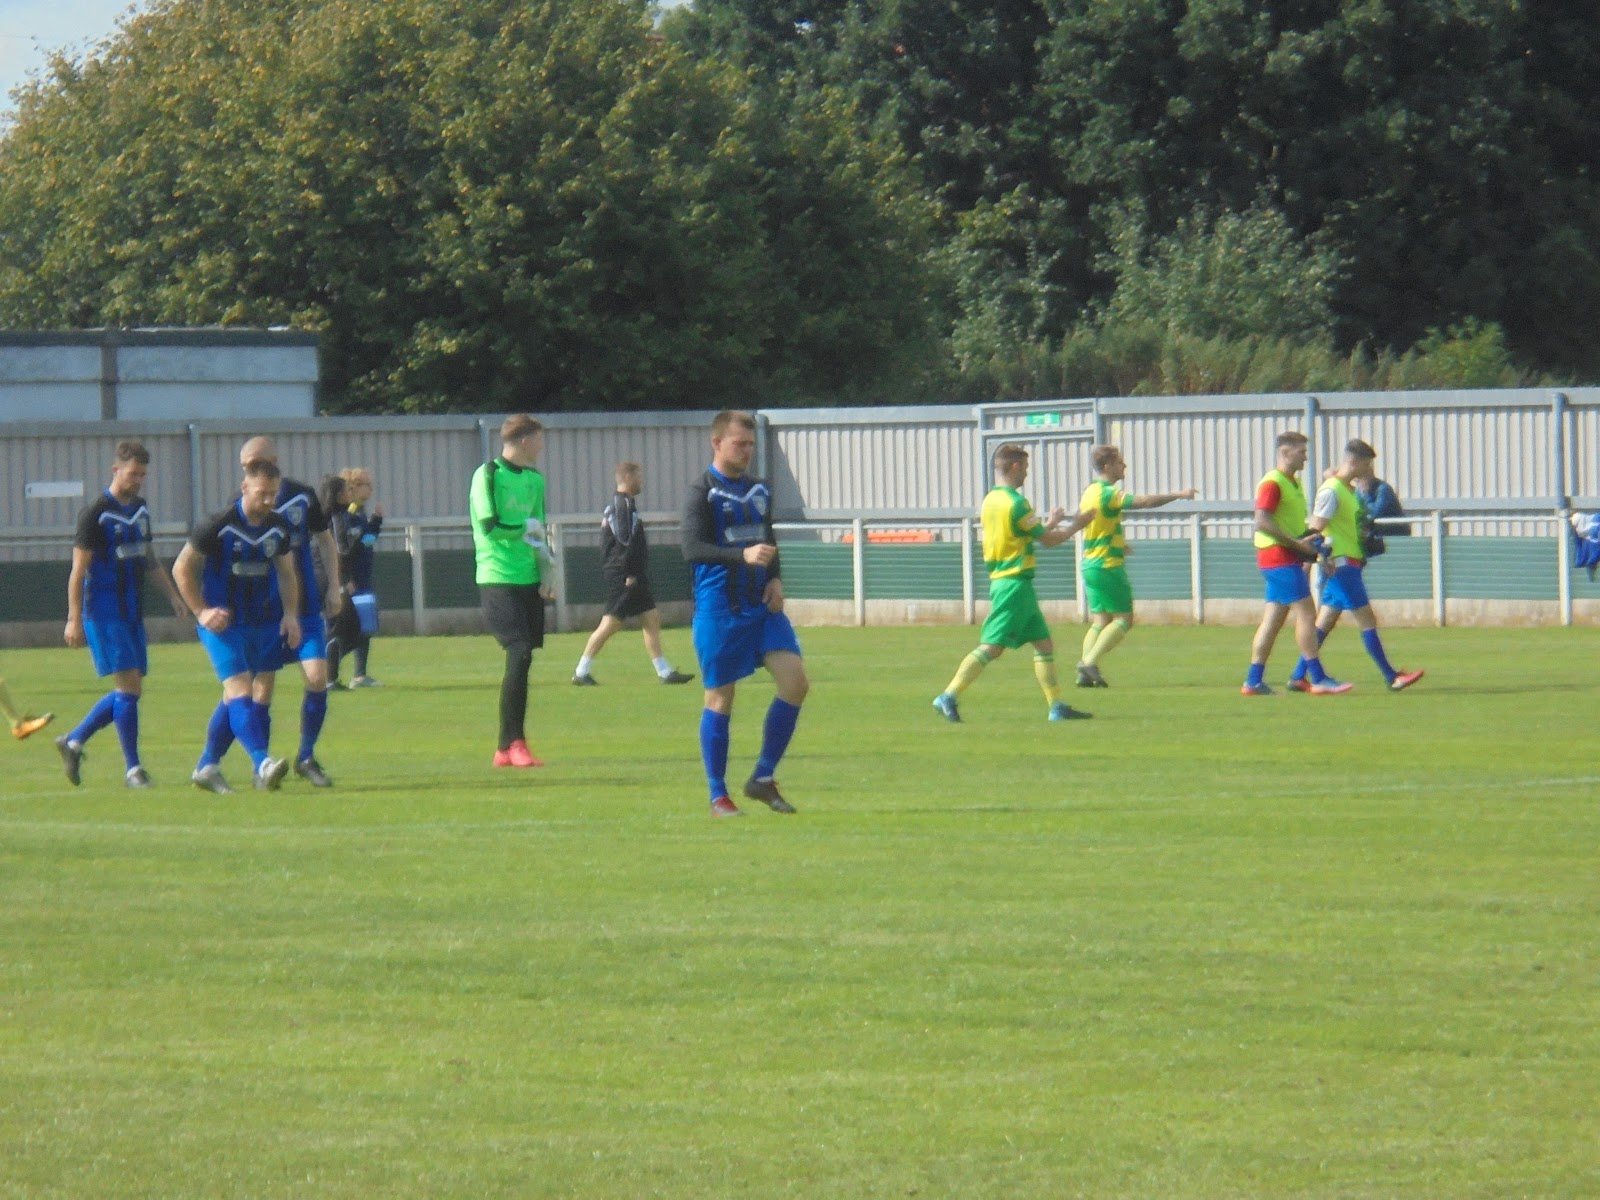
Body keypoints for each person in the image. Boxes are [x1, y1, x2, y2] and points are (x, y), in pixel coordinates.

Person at [682, 410, 806, 817]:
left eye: (751, 444)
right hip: (720, 609)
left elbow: (767, 539)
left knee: (796, 682)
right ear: (717, 443)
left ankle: (762, 776)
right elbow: (693, 549)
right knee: (720, 698)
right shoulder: (700, 492)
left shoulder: (759, 489)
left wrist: (776, 578)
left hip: (762, 608)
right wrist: (741, 556)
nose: (748, 451)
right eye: (740, 443)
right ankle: (718, 795)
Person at [54, 440, 189, 788]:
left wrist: (173, 596)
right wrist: (73, 618)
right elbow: (78, 570)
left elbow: (148, 558)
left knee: (131, 691)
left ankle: (73, 741)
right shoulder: (95, 513)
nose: (138, 480)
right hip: (102, 611)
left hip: (132, 610)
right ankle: (133, 770)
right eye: (132, 473)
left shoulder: (140, 509)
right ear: (116, 470)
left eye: (143, 475)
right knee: (128, 687)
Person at [211, 436, 342, 788]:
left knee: (317, 676)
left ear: (272, 460)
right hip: (264, 611)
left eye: (253, 461)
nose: (248, 469)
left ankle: (306, 756)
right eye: (244, 466)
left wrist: (334, 585)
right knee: (259, 688)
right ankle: (262, 767)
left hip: (306, 606)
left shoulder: (302, 496)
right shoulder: (238, 506)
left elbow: (325, 541)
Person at [932, 443, 1095, 724]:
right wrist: (1077, 525)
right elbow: (1047, 541)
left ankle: (1056, 706)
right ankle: (949, 695)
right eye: (1026, 468)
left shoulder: (991, 500)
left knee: (1044, 645)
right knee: (992, 646)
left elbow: (1027, 532)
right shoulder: (1017, 504)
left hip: (1011, 581)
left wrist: (1052, 521)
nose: (1027, 475)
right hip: (1013, 583)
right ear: (1016, 467)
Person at [173, 458, 301, 792]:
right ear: (245, 487)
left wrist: (290, 615)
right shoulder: (217, 524)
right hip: (221, 625)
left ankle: (207, 766)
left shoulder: (278, 526)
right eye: (262, 493)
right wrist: (201, 612)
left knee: (234, 698)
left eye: (274, 494)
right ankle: (262, 763)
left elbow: (287, 573)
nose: (269, 501)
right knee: (242, 690)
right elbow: (181, 568)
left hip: (260, 622)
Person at [1288, 440, 1424, 693]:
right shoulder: (1331, 491)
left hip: (1349, 562)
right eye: (1366, 463)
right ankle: (1391, 676)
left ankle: (1298, 675)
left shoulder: (1346, 490)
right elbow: (1316, 528)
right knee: (1367, 619)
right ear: (1354, 461)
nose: (1369, 469)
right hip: (1341, 566)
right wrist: (1317, 559)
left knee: (1324, 623)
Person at [1073, 444, 1198, 688]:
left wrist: (1118, 543)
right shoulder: (1109, 493)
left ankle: (1085, 672)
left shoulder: (1089, 492)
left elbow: (1091, 523)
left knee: (1100, 621)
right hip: (1107, 564)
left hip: (1090, 563)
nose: (1124, 466)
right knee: (1124, 619)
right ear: (1107, 466)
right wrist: (1178, 495)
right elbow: (1144, 502)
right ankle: (1089, 663)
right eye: (1120, 462)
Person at [469, 414, 553, 768]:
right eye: (538, 439)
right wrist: (525, 526)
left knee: (525, 657)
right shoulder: (487, 474)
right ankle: (513, 742)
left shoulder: (535, 480)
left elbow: (538, 531)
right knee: (518, 651)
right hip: (497, 577)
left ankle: (505, 750)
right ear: (523, 440)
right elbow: (490, 527)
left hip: (528, 578)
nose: (541, 446)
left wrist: (547, 571)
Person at [1242, 431, 1350, 696]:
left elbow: (1291, 525)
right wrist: (1297, 545)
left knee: (1273, 620)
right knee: (1307, 614)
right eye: (1301, 452)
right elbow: (1263, 522)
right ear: (1285, 452)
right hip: (1278, 557)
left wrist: (1314, 551)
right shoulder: (1273, 482)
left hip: (1283, 555)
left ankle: (1253, 681)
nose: (1306, 457)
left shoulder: (1293, 483)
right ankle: (1318, 677)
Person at [573, 461, 694, 687]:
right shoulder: (622, 505)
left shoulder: (625, 504)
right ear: (627, 477)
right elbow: (624, 540)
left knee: (651, 618)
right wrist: (629, 572)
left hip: (632, 572)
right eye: (638, 477)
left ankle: (665, 672)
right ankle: (581, 671)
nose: (641, 481)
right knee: (611, 623)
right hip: (624, 574)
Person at [329, 466, 384, 689]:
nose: (370, 489)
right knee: (346, 629)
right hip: (351, 581)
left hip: (364, 577)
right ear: (352, 487)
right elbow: (344, 548)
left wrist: (376, 522)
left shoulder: (360, 513)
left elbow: (365, 542)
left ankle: (360, 675)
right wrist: (345, 578)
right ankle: (328, 671)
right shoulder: (346, 515)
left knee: (366, 626)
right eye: (365, 484)